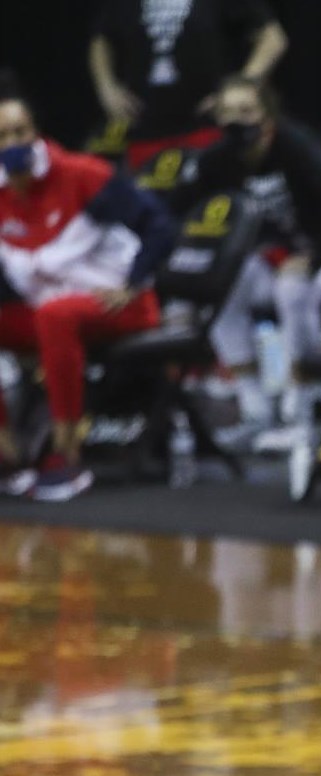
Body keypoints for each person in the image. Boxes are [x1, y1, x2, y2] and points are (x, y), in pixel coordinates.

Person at [176, 76, 321, 448]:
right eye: (227, 113)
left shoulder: (295, 145)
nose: (237, 121)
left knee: (293, 288)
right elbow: (191, 207)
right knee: (227, 283)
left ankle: (301, 412)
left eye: (247, 111)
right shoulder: (217, 161)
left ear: (268, 117)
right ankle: (254, 407)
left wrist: (313, 257)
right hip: (284, 258)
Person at [0, 84, 177, 502]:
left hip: (120, 304)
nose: (12, 143)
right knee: (50, 314)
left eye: (20, 132)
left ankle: (67, 453)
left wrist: (134, 282)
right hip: (49, 309)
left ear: (37, 134)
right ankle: (8, 453)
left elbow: (161, 226)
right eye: (2, 136)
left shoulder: (82, 174)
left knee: (54, 316)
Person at [89, 0, 288, 169]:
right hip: (145, 131)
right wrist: (107, 87)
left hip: (207, 129)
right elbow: (101, 38)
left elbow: (273, 38)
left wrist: (239, 86)